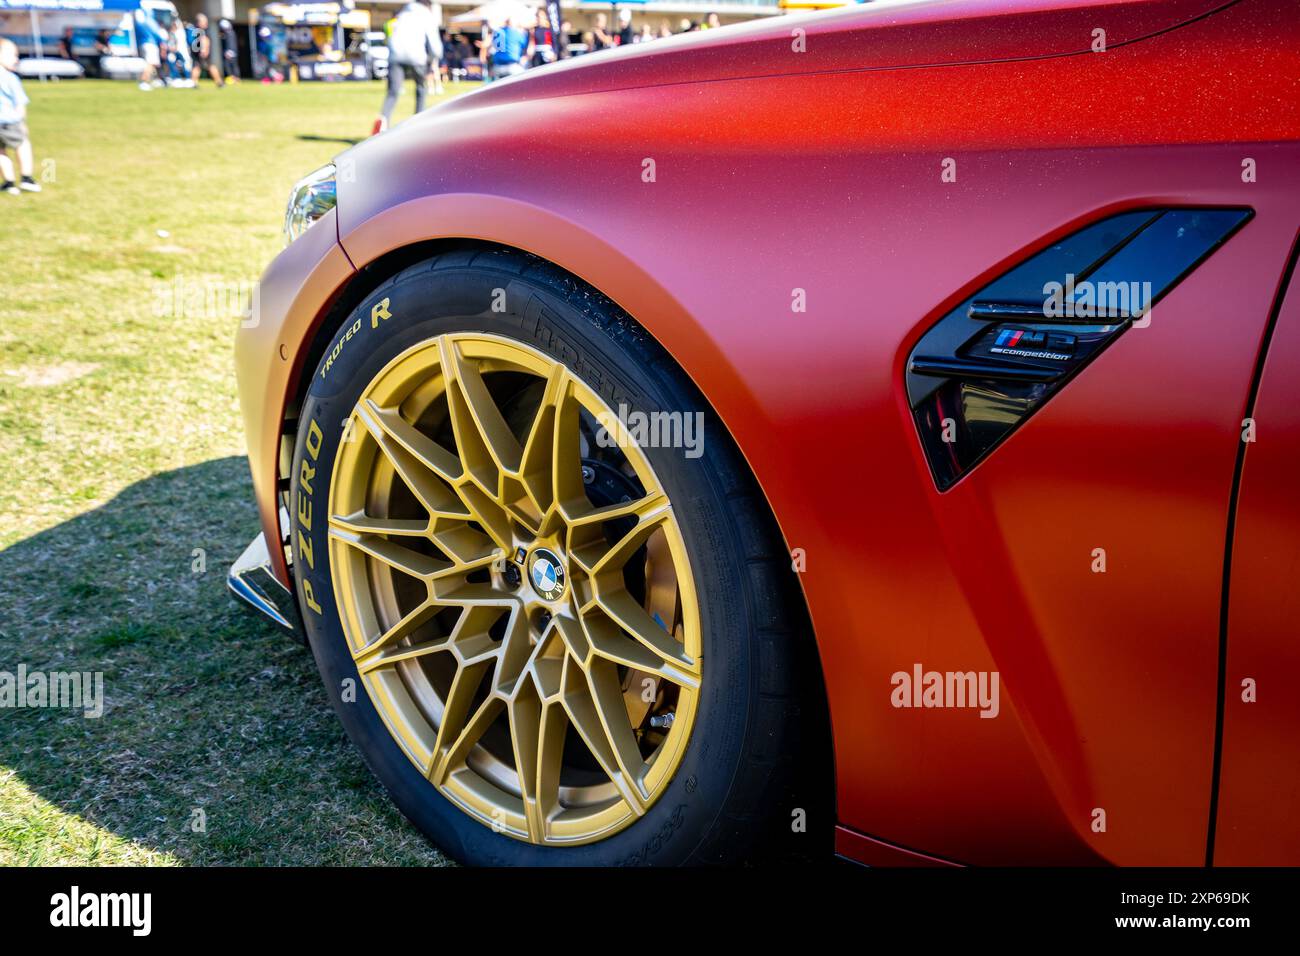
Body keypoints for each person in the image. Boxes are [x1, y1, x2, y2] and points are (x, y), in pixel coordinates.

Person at [374, 0, 442, 135]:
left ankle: (382, 121)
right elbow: (435, 47)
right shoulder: (426, 16)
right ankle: (418, 124)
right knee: (421, 89)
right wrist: (433, 58)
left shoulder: (402, 14)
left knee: (393, 92)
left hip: (395, 56)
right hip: (417, 56)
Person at [0, 39, 40, 196]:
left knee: (1, 152)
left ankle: (9, 183)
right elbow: (20, 104)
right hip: (11, 121)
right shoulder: (10, 78)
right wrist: (22, 123)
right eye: (13, 55)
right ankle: (26, 178)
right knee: (22, 145)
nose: (16, 59)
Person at [488, 14, 529, 79]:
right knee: (526, 79)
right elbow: (525, 46)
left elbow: (495, 46)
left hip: (498, 67)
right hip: (512, 66)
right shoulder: (517, 33)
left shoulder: (498, 32)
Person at [191, 14, 223, 86]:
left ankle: (193, 82)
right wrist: (204, 50)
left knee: (197, 66)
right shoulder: (202, 31)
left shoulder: (195, 30)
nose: (206, 23)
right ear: (199, 22)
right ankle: (219, 82)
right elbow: (204, 40)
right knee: (209, 66)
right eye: (204, 21)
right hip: (202, 51)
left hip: (197, 51)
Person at [219, 19, 241, 83]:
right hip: (229, 52)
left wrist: (229, 51)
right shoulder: (226, 33)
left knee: (232, 66)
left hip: (231, 52)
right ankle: (232, 78)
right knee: (229, 65)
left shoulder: (230, 33)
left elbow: (231, 43)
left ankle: (235, 78)